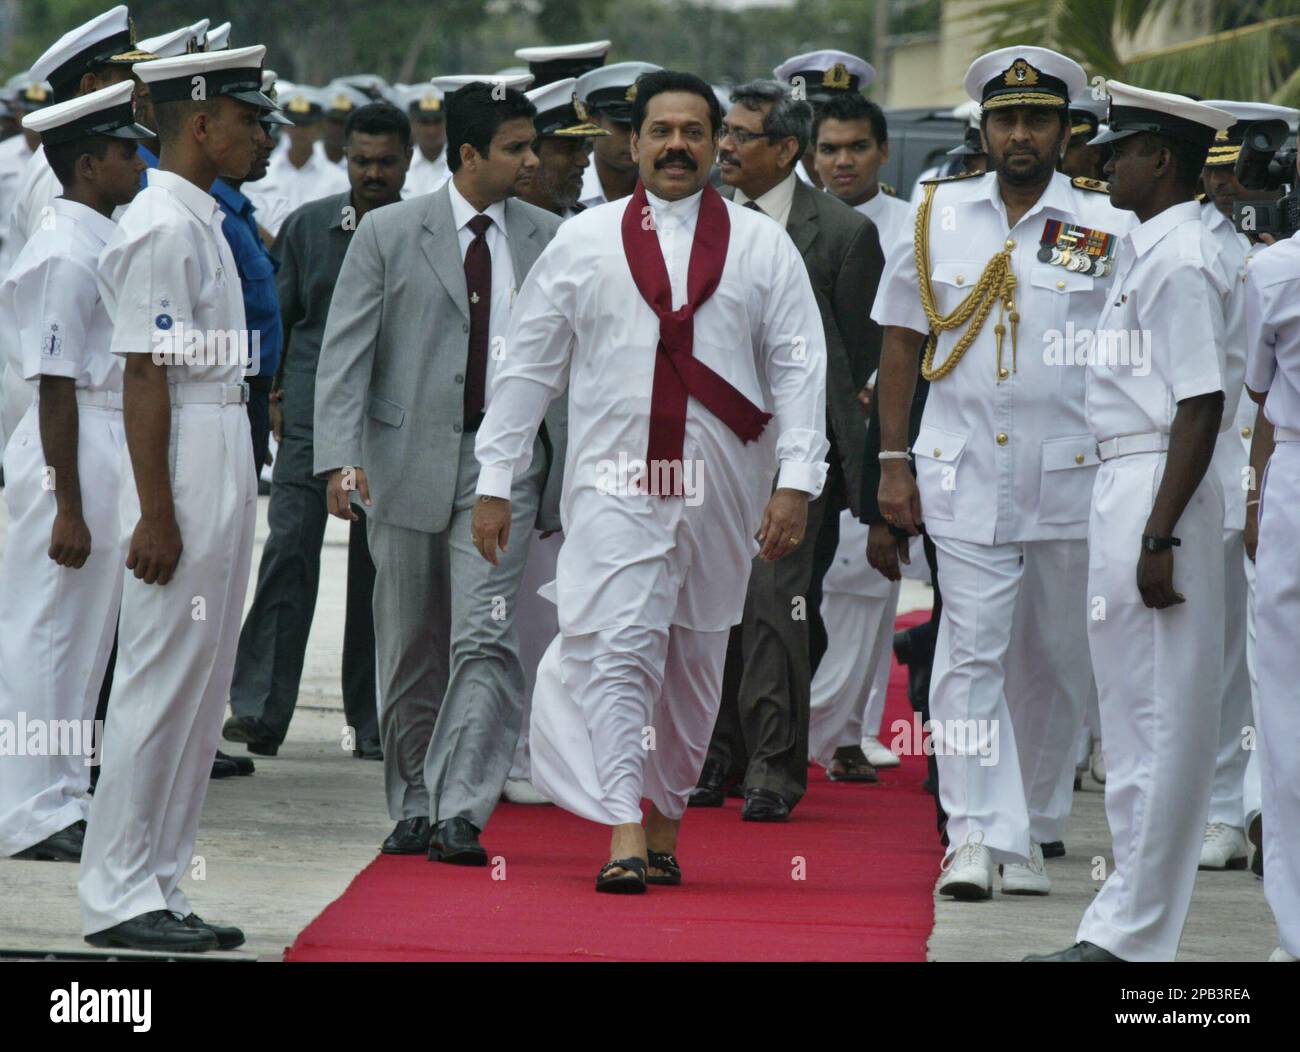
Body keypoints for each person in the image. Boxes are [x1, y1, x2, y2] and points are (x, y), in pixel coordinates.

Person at [471, 69, 828, 892]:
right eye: (660, 131)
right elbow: (527, 367)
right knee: (619, 644)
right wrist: (496, 477)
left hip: (721, 485)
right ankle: (621, 831)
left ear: (717, 146)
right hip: (614, 483)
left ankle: (665, 823)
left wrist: (796, 483)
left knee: (697, 658)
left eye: (695, 132)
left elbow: (800, 371)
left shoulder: (761, 244)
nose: (676, 145)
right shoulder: (585, 241)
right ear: (630, 144)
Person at [874, 46, 1132, 900]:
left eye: (1039, 119)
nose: (1021, 133)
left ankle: (1037, 823)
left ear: (1066, 129)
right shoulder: (935, 213)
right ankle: (977, 838)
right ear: (982, 129)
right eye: (1006, 119)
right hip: (962, 472)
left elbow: (1129, 356)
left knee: (1059, 661)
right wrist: (892, 462)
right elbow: (903, 343)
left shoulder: (1106, 223)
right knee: (966, 657)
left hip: (1072, 475)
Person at [313, 81, 564, 864]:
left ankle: (462, 807)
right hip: (403, 460)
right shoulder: (390, 233)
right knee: (410, 640)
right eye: (516, 148)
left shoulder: (552, 237)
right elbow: (346, 351)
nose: (532, 161)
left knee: (485, 637)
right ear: (468, 154)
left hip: (504, 465)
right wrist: (337, 460)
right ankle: (413, 801)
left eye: (532, 146)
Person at [78, 44, 280, 954]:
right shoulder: (162, 223)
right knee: (159, 681)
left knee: (200, 689)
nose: (261, 134)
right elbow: (145, 376)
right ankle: (119, 893)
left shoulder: (199, 216)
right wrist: (156, 513)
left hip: (223, 433)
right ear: (201, 123)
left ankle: (162, 880)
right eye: (248, 120)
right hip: (186, 448)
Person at [1026, 84, 1234, 962]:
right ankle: (1121, 928)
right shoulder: (1150, 246)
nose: (1105, 162)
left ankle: (1130, 941)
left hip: (1160, 484)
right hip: (1130, 477)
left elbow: (1201, 401)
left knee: (1155, 723)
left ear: (1166, 161)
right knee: (1133, 719)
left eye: (1124, 150)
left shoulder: (1180, 255)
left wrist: (1158, 536)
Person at [695, 78, 881, 818]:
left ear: (787, 149)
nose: (727, 148)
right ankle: (713, 758)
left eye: (743, 135)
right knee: (711, 607)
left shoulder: (838, 233)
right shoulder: (701, 223)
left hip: (796, 459)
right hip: (711, 449)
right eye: (726, 133)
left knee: (779, 609)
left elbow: (860, 360)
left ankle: (774, 768)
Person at [223, 102, 411, 765]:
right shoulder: (308, 227)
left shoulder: (420, 233)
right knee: (290, 555)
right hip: (308, 419)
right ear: (346, 159)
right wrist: (275, 395)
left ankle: (373, 722)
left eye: (387, 162)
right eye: (361, 160)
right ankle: (258, 711)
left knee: (379, 572)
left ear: (408, 161)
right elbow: (285, 319)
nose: (373, 173)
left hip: (388, 427)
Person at [0, 81, 150, 862]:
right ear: (89, 164)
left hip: (99, 438)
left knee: (82, 637)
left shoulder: (93, 230)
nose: (140, 162)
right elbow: (53, 382)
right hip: (72, 444)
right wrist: (67, 503)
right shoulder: (63, 246)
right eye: (128, 152)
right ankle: (29, 809)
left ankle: (62, 793)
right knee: (47, 635)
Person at [1196, 100, 1296, 872]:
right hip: (1198, 466)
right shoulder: (1175, 240)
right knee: (1226, 652)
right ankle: (1226, 807)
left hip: (1266, 461)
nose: (1234, 190)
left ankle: (1268, 808)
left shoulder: (1282, 254)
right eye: (1219, 173)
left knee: (1273, 659)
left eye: (1248, 173)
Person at [1, 5, 156, 453]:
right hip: (64, 406)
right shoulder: (65, 176)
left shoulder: (84, 162)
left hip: (82, 400)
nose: (142, 93)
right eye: (128, 79)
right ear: (91, 86)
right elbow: (57, 294)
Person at [1243, 177, 1300, 965]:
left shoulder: (1277, 271)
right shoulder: (1273, 273)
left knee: (1288, 711)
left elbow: (1259, 392)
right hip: (1290, 472)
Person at [213, 84, 291, 481]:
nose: (266, 141)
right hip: (229, 393)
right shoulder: (211, 213)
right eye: (252, 124)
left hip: (253, 392)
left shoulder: (237, 210)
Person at [245, 85, 349, 237]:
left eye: (307, 125)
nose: (300, 132)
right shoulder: (261, 175)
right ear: (285, 127)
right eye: (294, 125)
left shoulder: (339, 180)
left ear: (319, 127)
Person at [814, 91, 909, 257]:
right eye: (829, 149)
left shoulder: (914, 227)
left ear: (884, 151)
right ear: (814, 157)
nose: (843, 161)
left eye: (858, 147)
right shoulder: (788, 226)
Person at [773, 49, 875, 190]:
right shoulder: (767, 184)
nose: (826, 124)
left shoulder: (865, 194)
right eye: (814, 110)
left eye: (840, 114)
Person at [574, 62, 661, 207]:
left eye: (643, 129)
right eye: (624, 127)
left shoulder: (666, 194)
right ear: (593, 125)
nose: (634, 139)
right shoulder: (568, 192)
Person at [397, 85, 451, 198]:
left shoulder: (462, 164)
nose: (431, 130)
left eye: (437, 122)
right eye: (424, 122)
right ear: (411, 124)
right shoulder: (399, 164)